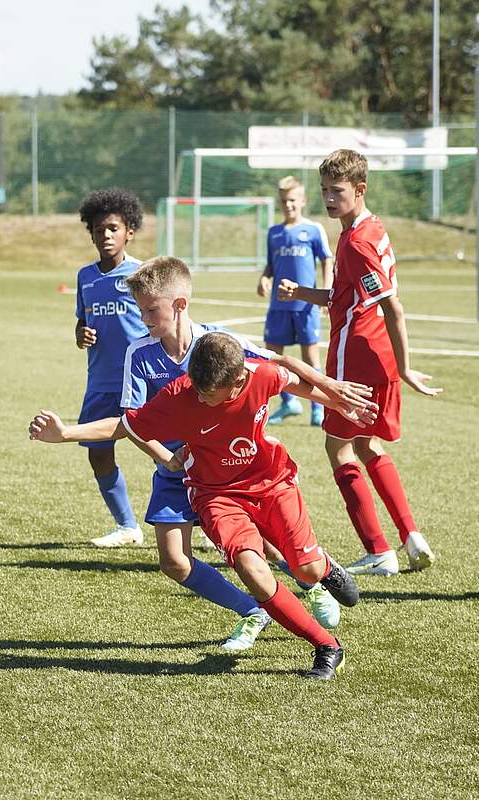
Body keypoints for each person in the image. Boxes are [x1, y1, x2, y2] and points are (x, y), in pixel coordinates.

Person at [30, 332, 367, 679]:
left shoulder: (260, 375)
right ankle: (326, 646)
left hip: (273, 482)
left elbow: (287, 373)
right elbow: (124, 425)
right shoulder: (181, 396)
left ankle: (323, 567)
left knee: (306, 569)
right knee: (254, 572)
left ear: (238, 382)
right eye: (198, 389)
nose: (201, 399)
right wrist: (66, 433)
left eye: (210, 394)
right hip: (216, 495)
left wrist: (334, 399)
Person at [121, 256, 378, 650]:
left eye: (150, 309)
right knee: (182, 560)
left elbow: (276, 367)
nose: (144, 318)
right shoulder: (140, 354)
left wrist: (333, 394)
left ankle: (312, 579)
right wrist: (161, 455)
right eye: (140, 310)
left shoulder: (221, 344)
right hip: (186, 474)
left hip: (246, 466)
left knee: (277, 548)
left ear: (179, 305)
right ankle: (257, 610)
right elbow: (128, 422)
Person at [277, 148, 440, 577]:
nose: (329, 199)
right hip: (377, 354)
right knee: (369, 445)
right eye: (325, 191)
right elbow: (346, 297)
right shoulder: (370, 227)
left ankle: (378, 550)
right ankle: (410, 536)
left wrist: (407, 367)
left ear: (360, 190)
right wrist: (304, 294)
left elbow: (392, 307)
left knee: (338, 446)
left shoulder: (357, 242)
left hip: (359, 356)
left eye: (338, 191)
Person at [73, 188, 150, 548]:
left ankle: (203, 520)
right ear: (90, 233)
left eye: (113, 228)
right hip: (101, 379)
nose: (106, 235)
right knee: (98, 452)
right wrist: (81, 333)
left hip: (142, 380)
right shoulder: (85, 277)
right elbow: (81, 320)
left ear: (129, 231)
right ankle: (127, 527)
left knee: (169, 451)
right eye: (99, 229)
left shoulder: (142, 274)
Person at [256, 176, 334, 426]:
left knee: (310, 358)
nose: (288, 205)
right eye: (283, 201)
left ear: (302, 201)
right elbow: (271, 264)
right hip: (279, 306)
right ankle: (289, 402)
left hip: (305, 305)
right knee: (270, 357)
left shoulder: (313, 229)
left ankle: (318, 408)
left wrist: (326, 291)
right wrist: (264, 278)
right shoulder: (274, 233)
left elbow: (327, 259)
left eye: (292, 200)